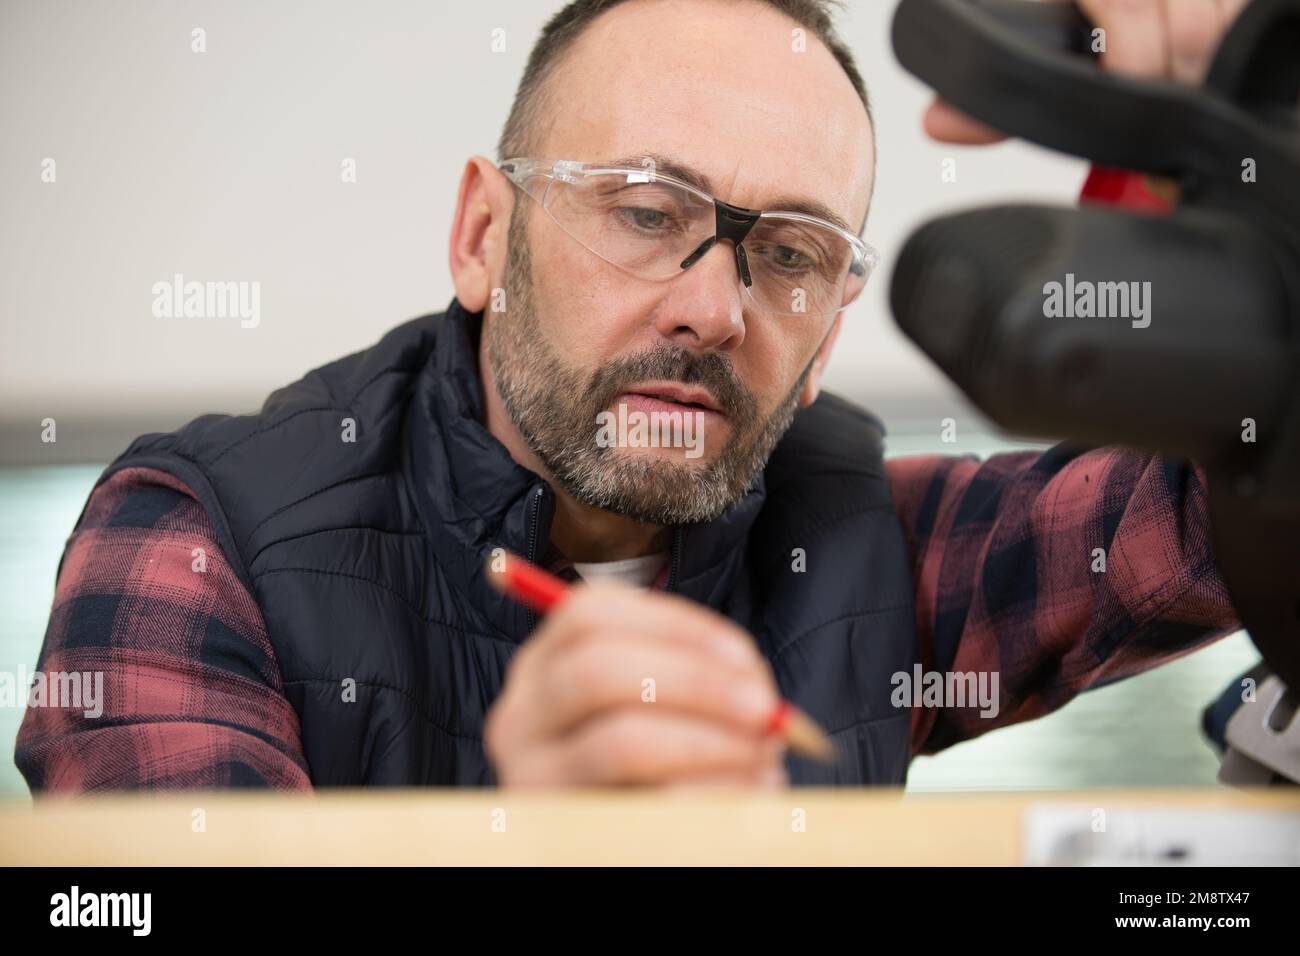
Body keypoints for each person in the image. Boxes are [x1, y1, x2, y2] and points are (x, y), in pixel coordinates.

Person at [16, 0, 1244, 791]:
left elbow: (1230, 503)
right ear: (483, 237)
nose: (713, 309)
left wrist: (1250, 101)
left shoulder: (864, 550)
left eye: (792, 252)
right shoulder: (199, 543)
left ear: (826, 337)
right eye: (647, 212)